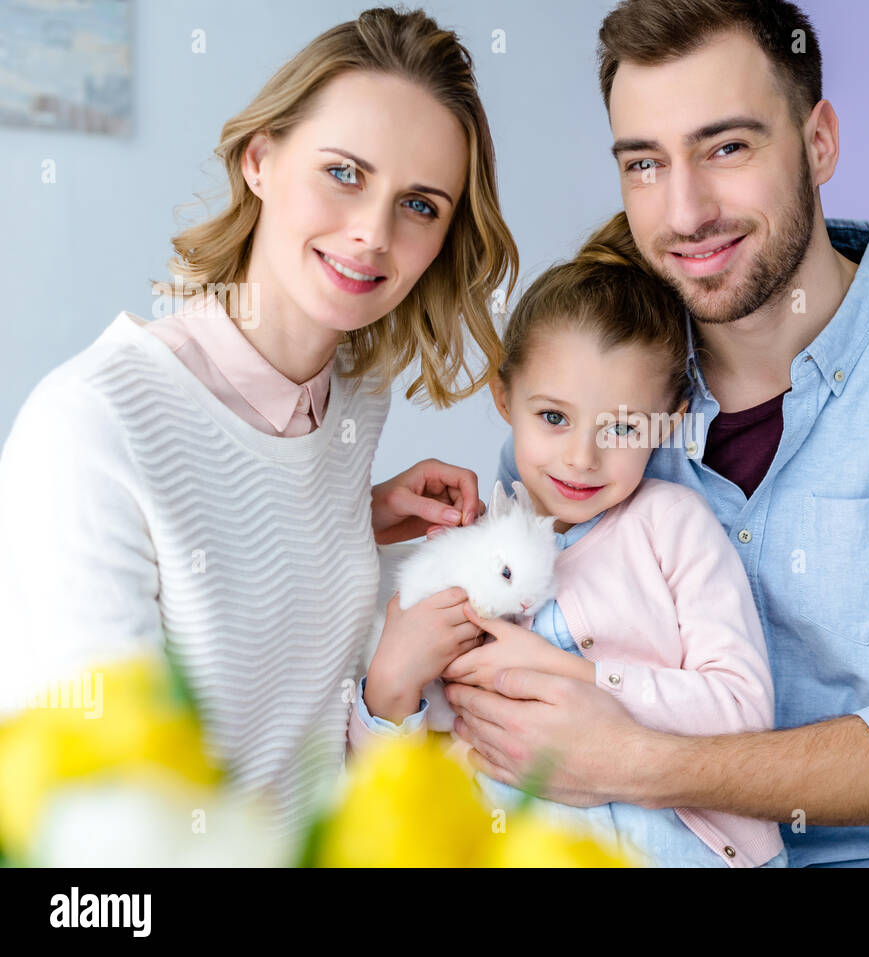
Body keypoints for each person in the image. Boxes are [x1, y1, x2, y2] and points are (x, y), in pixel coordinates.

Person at [450, 0, 869, 867]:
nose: (686, 209)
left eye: (727, 147)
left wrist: (639, 762)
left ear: (819, 141)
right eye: (645, 163)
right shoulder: (590, 401)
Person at [0, 7, 516, 849]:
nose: (373, 233)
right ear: (261, 158)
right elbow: (94, 823)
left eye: (419, 205)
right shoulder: (90, 425)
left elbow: (296, 690)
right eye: (345, 173)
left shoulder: (351, 398)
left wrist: (357, 521)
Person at [440, 212, 787, 867]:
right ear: (502, 396)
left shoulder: (672, 526)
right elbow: (429, 737)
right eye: (551, 417)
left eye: (623, 428)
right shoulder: (477, 555)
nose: (580, 458)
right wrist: (390, 687)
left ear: (671, 421)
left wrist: (574, 674)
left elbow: (741, 711)